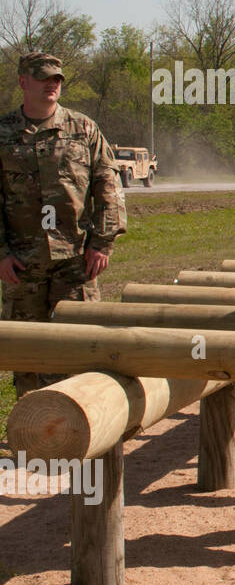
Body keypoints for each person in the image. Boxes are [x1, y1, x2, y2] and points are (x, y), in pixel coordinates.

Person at [0, 53, 125, 398]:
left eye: (57, 79)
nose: (52, 84)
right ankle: (31, 429)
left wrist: (102, 242)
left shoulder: (83, 129)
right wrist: (1, 254)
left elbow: (108, 188)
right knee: (26, 352)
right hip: (22, 265)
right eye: (43, 78)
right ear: (23, 82)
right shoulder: (4, 133)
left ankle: (77, 428)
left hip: (75, 261)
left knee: (79, 345)